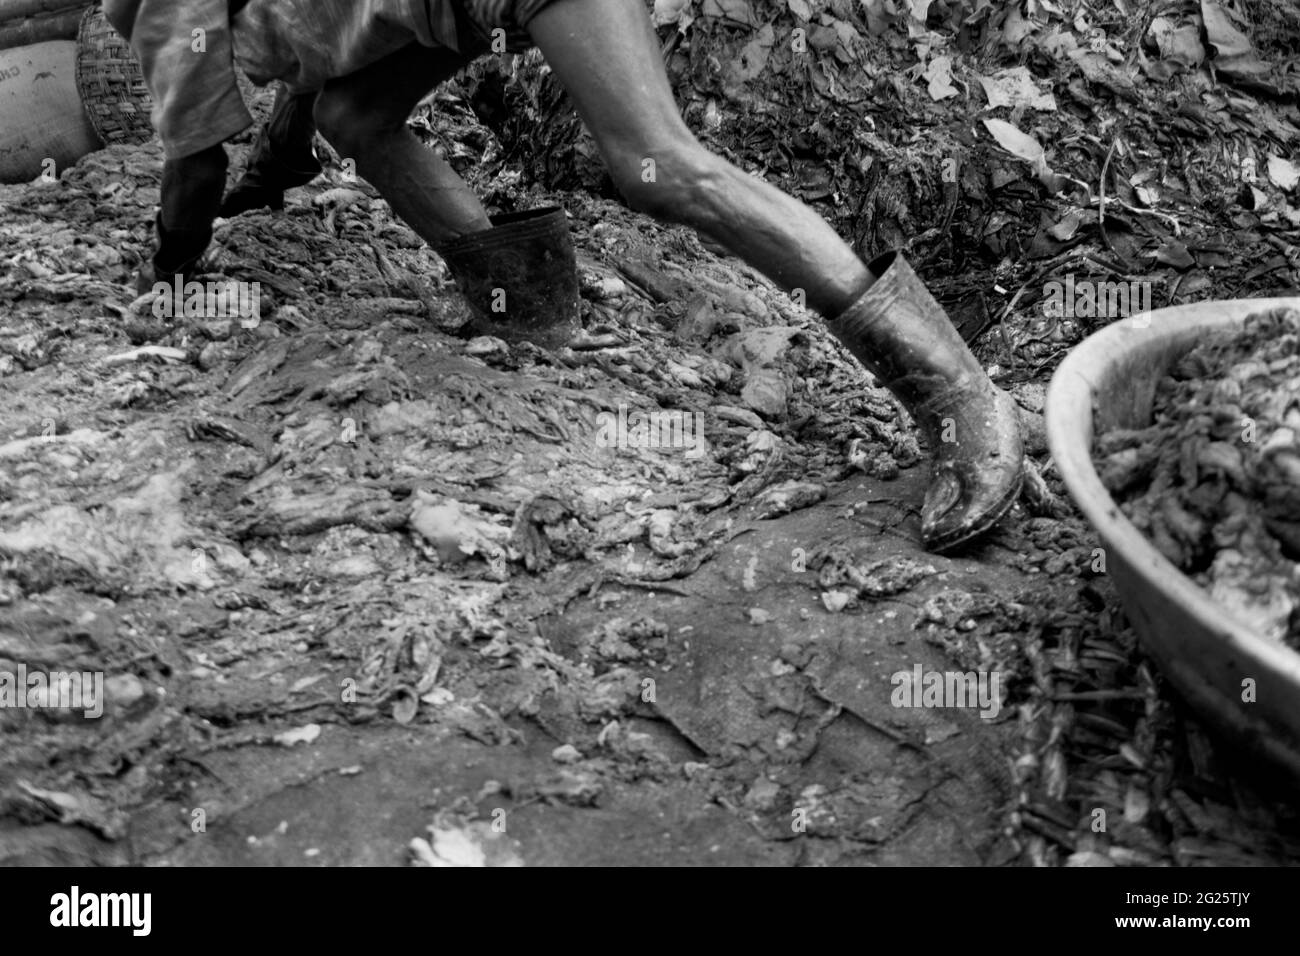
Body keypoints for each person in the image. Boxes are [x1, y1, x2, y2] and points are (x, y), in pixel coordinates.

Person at [103, 0, 1023, 552]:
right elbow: (309, 92)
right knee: (354, 113)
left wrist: (168, 262)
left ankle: (953, 395)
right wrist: (273, 168)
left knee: (660, 169)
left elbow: (193, 167)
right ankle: (523, 300)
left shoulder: (165, 16)